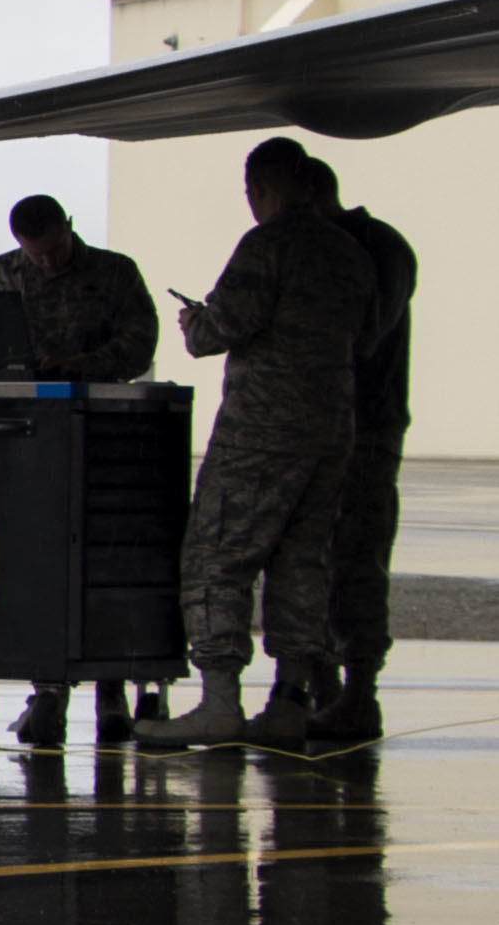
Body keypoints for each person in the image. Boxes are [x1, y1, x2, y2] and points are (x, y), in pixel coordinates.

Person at [146, 135, 387, 749]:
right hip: (331, 431)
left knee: (216, 558)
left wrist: (194, 320)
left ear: (262, 189)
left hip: (261, 433)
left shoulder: (267, 246)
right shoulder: (351, 254)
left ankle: (220, 704)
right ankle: (288, 704)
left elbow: (217, 333)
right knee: (303, 561)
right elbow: (364, 336)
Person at [311, 150, 423, 748]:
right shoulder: (331, 246)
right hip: (320, 428)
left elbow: (367, 333)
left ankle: (358, 689)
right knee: (314, 556)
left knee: (356, 554)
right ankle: (323, 681)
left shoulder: (377, 247)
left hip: (365, 428)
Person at [0, 192, 159, 381]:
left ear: (69, 226)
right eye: (37, 255)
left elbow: (140, 344)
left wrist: (83, 364)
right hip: (12, 401)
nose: (49, 262)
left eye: (56, 249)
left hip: (93, 402)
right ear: (19, 242)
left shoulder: (115, 271)